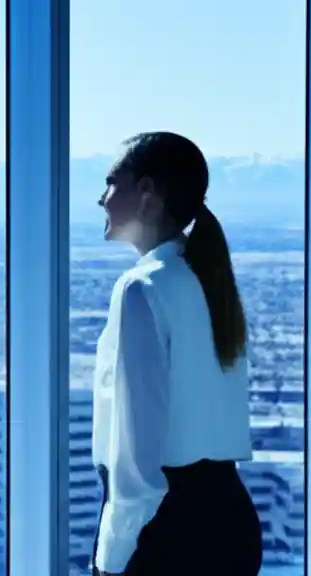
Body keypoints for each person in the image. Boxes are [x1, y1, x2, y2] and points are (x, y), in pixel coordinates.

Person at [91, 132, 262, 576]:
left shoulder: (141, 287)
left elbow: (138, 450)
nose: (101, 199)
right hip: (231, 521)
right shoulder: (205, 276)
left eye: (111, 183)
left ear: (146, 192)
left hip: (170, 534)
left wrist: (112, 555)